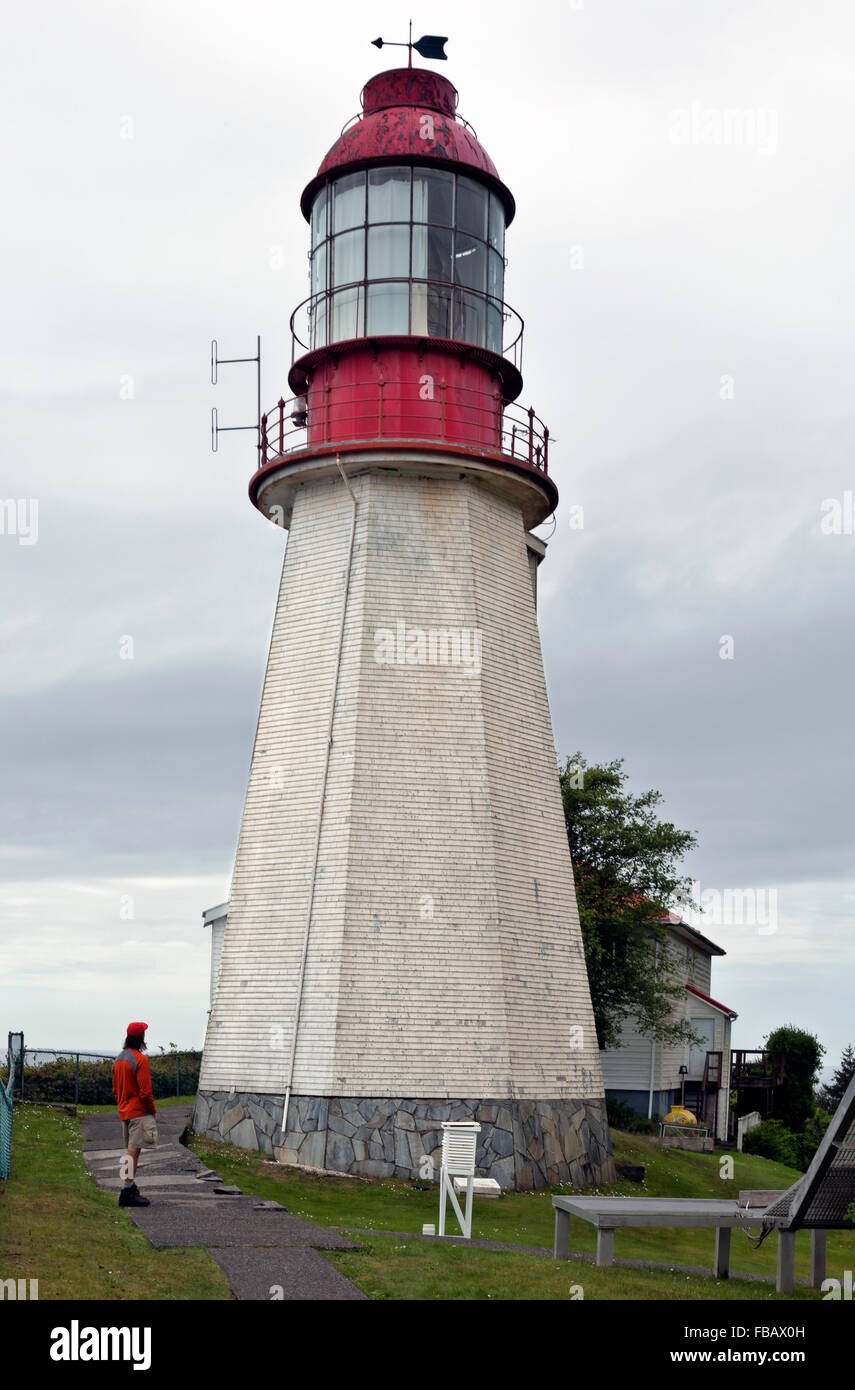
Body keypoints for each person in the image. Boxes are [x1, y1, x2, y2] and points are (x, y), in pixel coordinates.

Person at [112, 1021, 157, 1207]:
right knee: (133, 1152)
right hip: (139, 1111)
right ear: (141, 1038)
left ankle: (129, 1187)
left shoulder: (118, 1059)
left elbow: (115, 1089)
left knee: (131, 1151)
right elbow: (145, 1091)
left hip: (124, 1110)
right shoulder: (140, 1060)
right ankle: (126, 1189)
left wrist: (122, 1104)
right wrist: (152, 1110)